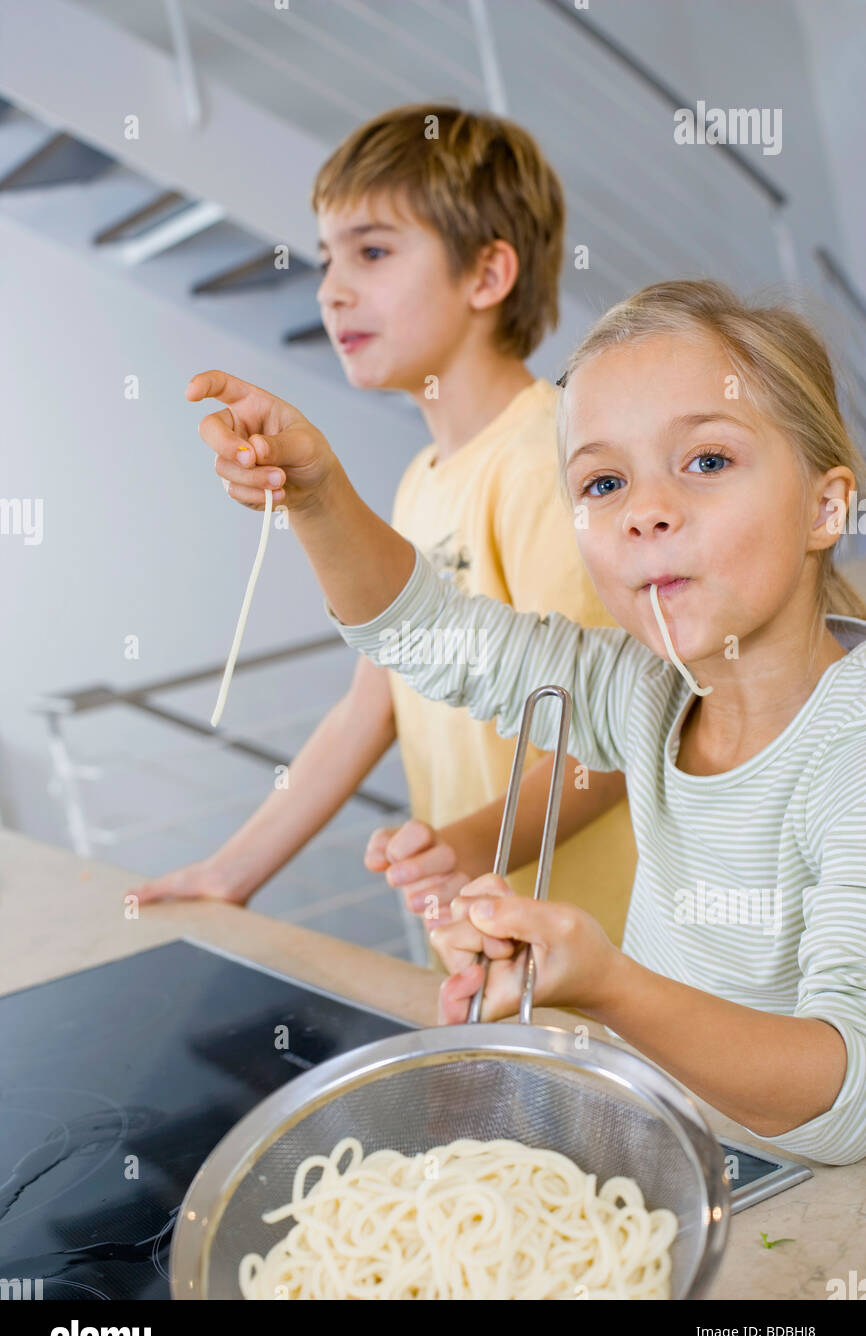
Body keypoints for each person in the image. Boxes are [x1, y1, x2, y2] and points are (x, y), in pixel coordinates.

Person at [179, 278, 866, 1165]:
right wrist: (316, 497)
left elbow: (843, 1098)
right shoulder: (643, 691)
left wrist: (609, 985)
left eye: (706, 461)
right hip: (680, 1156)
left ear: (826, 505)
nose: (644, 511)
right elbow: (425, 632)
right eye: (604, 481)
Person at [136, 104, 637, 961]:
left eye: (371, 252)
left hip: (596, 956)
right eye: (329, 257)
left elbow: (620, 735)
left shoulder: (548, 458)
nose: (330, 288)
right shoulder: (419, 481)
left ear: (488, 275)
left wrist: (470, 845)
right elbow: (372, 706)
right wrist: (231, 869)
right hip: (492, 955)